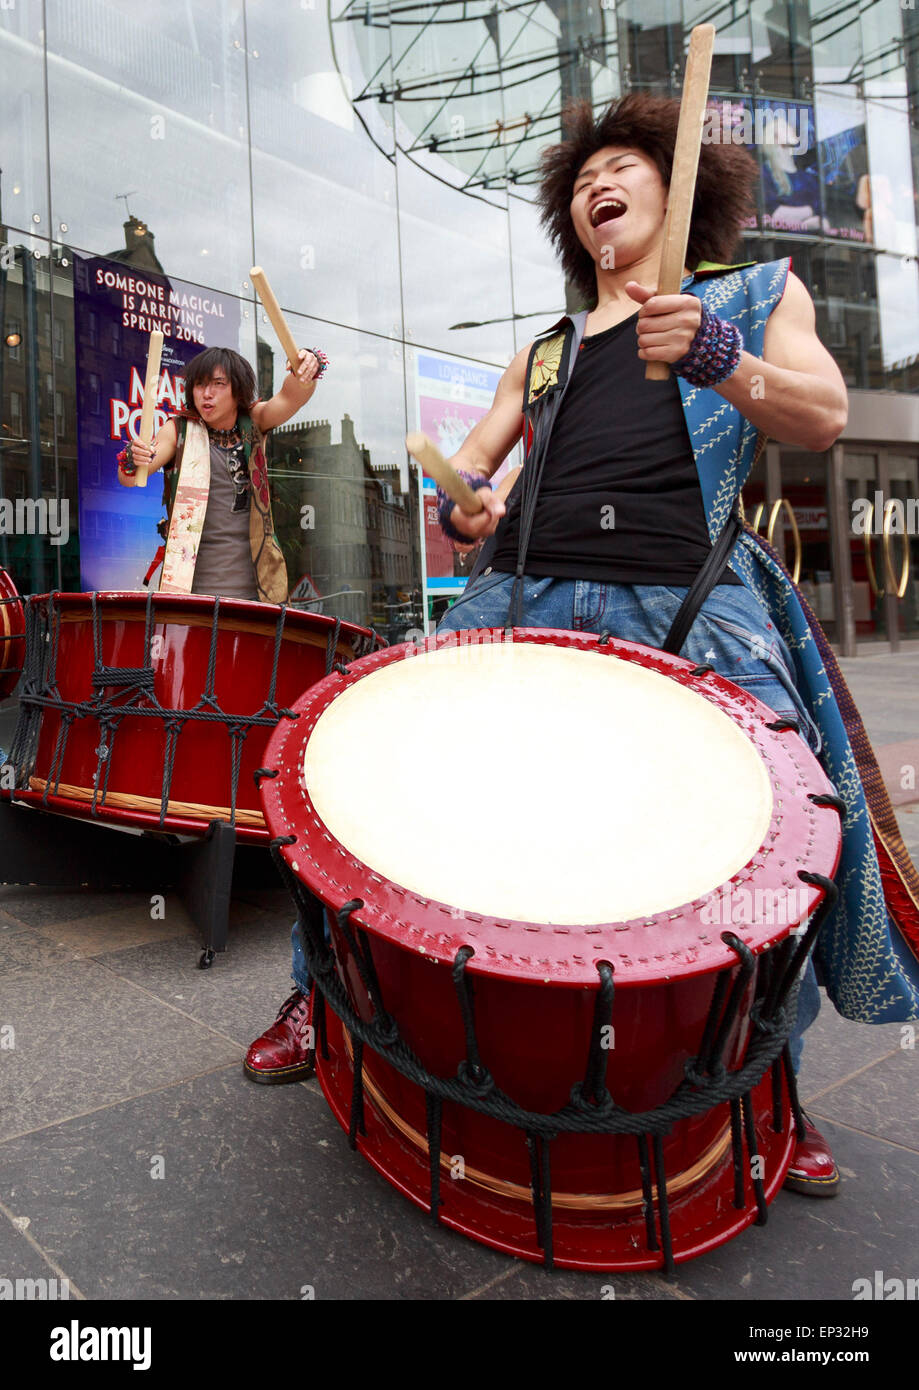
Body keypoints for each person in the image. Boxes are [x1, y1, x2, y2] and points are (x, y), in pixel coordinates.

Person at [245, 96, 919, 1205]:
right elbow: (469, 476)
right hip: (525, 599)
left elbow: (822, 413)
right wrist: (465, 506)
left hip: (688, 610)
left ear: (675, 188)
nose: (594, 183)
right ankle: (322, 990)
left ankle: (768, 1085)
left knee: (766, 853)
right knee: (367, 787)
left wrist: (715, 355)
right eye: (580, 177)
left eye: (621, 165)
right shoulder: (546, 352)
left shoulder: (751, 295)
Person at [117, 343, 327, 602]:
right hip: (193, 594)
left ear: (237, 391)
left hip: (259, 592)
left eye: (218, 384)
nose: (207, 394)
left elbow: (292, 396)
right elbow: (131, 475)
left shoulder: (254, 423)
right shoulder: (178, 430)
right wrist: (133, 457)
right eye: (200, 385)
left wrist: (308, 364)